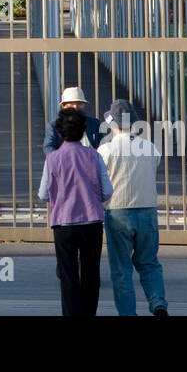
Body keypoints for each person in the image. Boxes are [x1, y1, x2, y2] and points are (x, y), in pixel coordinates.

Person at [38, 108, 113, 316]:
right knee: (91, 275)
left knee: (68, 276)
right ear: (83, 130)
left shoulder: (52, 159)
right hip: (92, 223)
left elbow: (43, 194)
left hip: (63, 224)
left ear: (60, 131)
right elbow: (107, 191)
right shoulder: (94, 156)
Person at [98, 99, 168, 316]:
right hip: (147, 210)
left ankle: (128, 313)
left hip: (118, 211)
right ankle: (158, 302)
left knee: (121, 269)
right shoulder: (149, 147)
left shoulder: (105, 149)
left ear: (112, 124)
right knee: (149, 262)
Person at [42, 86, 99, 154]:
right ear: (63, 106)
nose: (75, 107)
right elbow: (48, 148)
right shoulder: (53, 126)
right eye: (71, 104)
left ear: (84, 105)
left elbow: (101, 146)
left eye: (79, 104)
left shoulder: (94, 123)